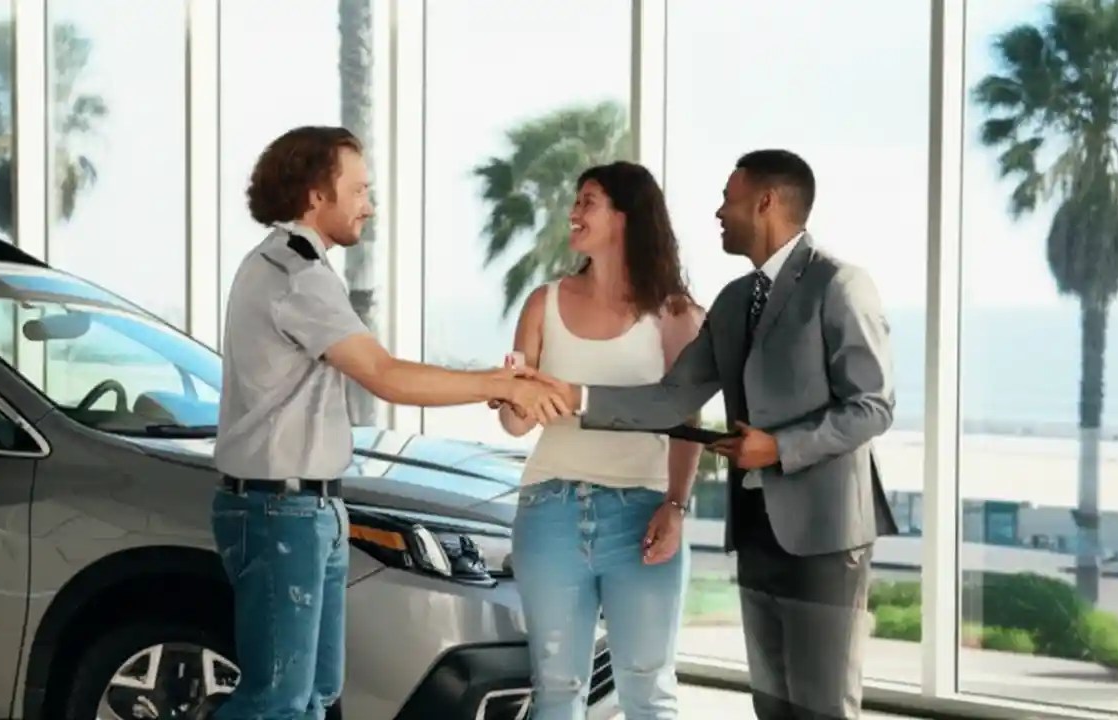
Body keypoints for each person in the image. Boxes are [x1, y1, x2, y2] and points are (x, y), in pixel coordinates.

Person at [211, 125, 566, 720]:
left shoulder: (298, 267)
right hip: (280, 512)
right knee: (276, 703)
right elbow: (384, 374)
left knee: (314, 700)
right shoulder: (296, 273)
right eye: (359, 190)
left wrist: (495, 381)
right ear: (315, 196)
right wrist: (499, 384)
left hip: (309, 508)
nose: (370, 206)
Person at [536, 149, 899, 719]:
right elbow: (670, 399)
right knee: (774, 704)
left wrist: (778, 447)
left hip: (827, 534)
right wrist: (571, 397)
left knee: (823, 706)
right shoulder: (733, 302)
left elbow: (873, 406)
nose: (718, 212)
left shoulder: (840, 284)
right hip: (756, 530)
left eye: (728, 199)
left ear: (767, 202)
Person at [494, 161, 704, 720]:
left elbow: (687, 423)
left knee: (648, 687)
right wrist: (512, 400)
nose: (574, 212)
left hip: (643, 512)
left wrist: (676, 505)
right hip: (550, 509)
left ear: (626, 216)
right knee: (557, 689)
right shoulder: (544, 302)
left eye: (588, 201)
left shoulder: (676, 315)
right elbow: (517, 424)